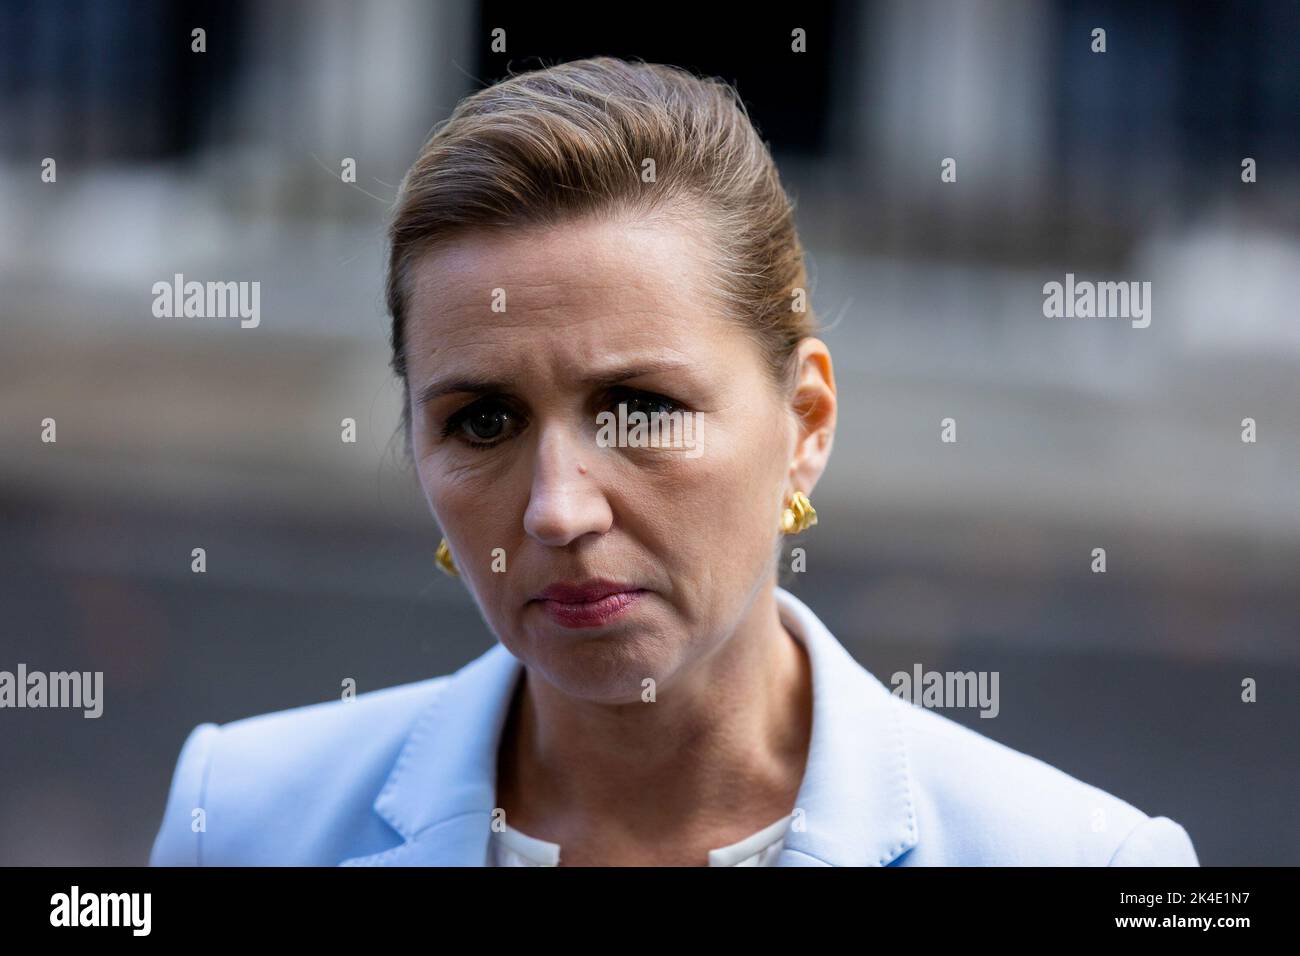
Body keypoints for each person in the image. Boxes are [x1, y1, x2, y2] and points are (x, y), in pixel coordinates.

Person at [150, 57, 1197, 867]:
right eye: (482, 422)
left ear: (806, 420)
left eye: (640, 407)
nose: (559, 510)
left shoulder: (1083, 858)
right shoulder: (239, 816)